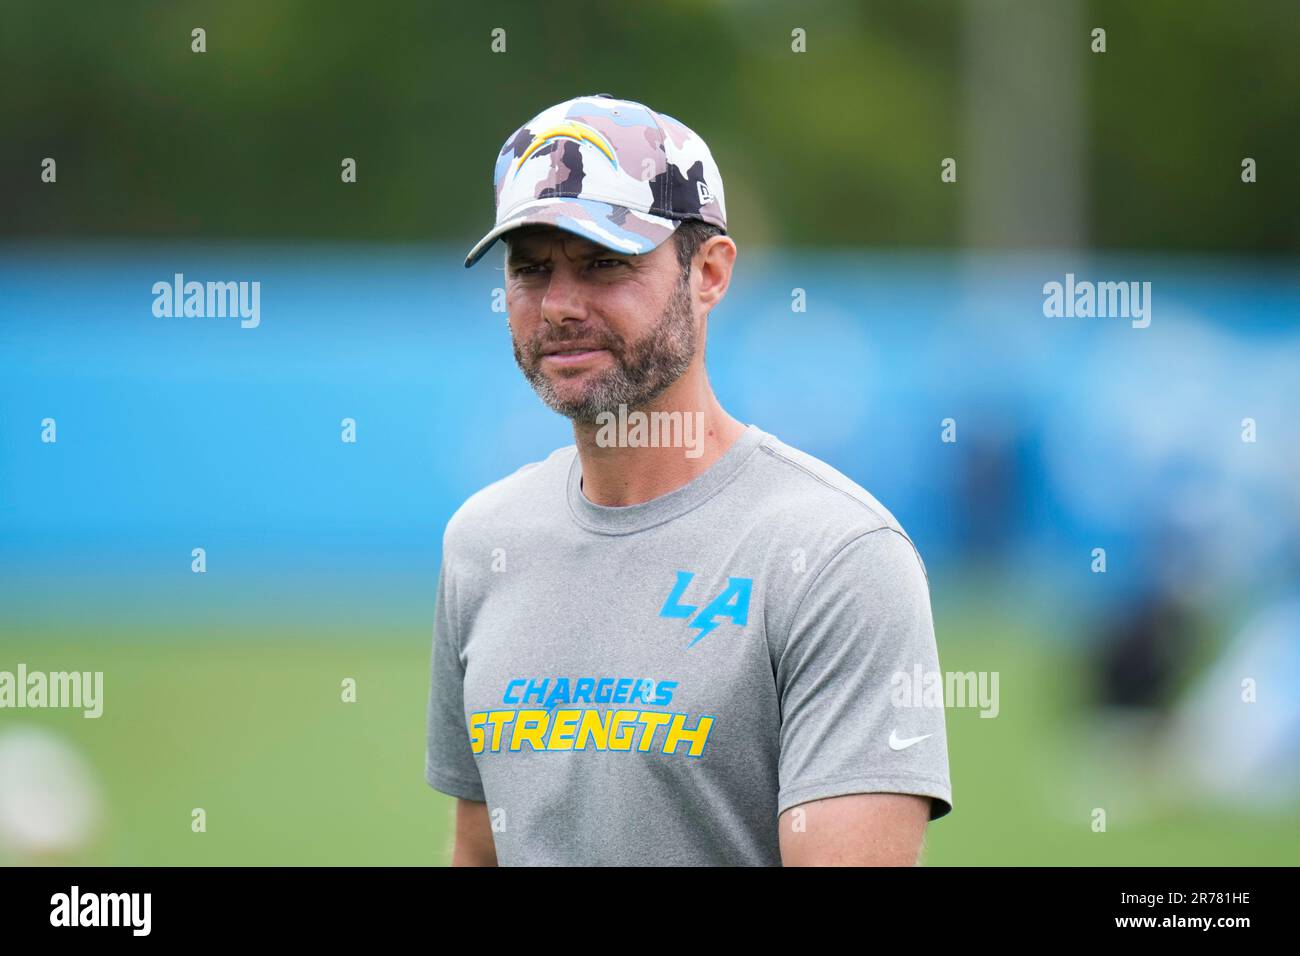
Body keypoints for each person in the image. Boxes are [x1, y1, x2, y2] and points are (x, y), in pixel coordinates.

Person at [426, 93, 952, 866]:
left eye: (605, 262)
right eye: (531, 269)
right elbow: (482, 853)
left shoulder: (836, 557)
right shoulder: (484, 543)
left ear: (708, 273)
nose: (561, 305)